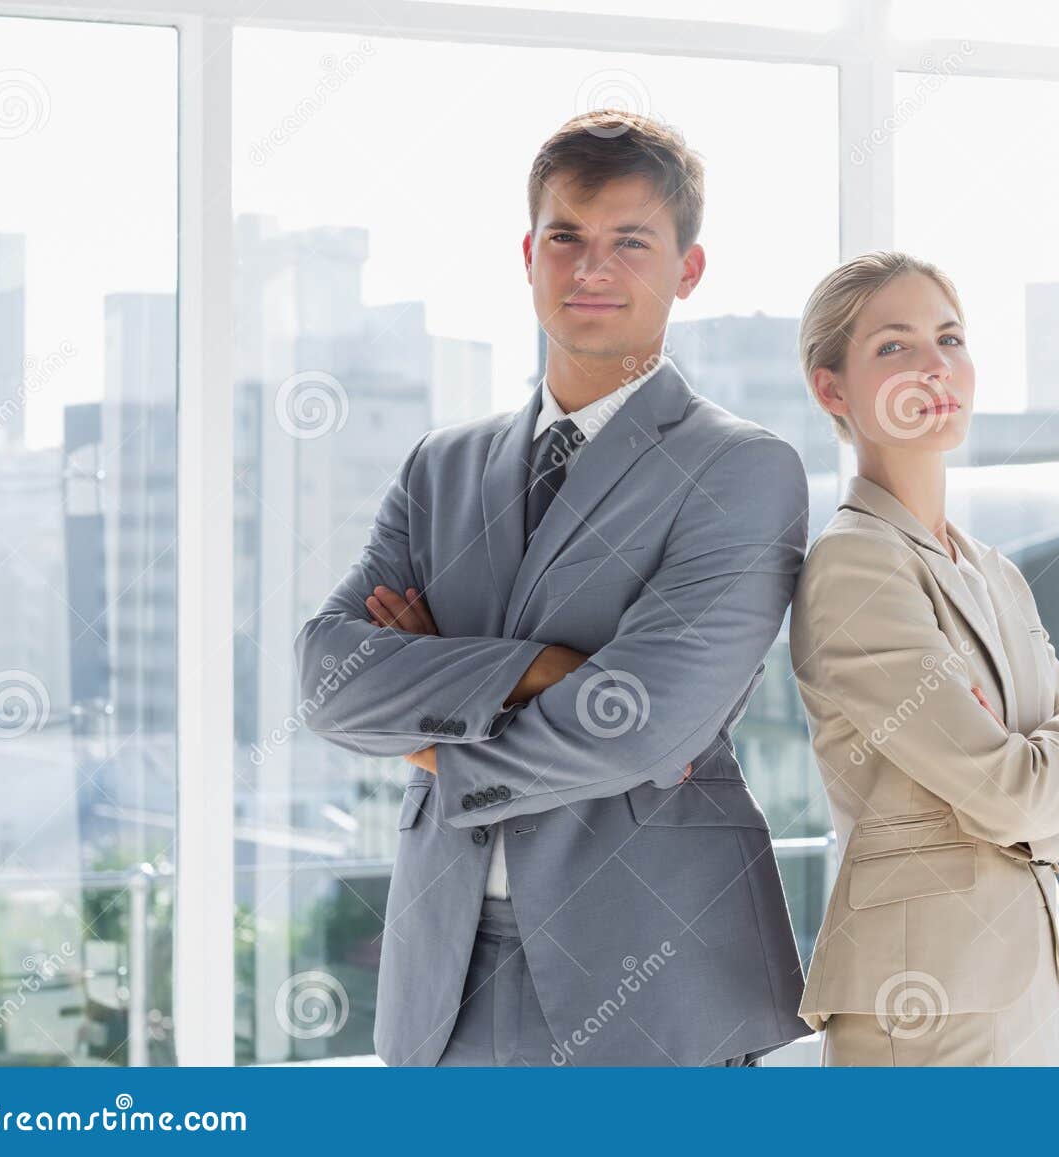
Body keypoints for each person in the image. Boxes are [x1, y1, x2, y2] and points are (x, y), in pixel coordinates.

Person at [295, 111, 812, 1067]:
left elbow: (650, 721)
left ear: (687, 271)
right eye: (567, 237)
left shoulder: (744, 467)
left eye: (631, 242)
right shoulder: (441, 466)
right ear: (530, 254)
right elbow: (330, 679)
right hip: (439, 974)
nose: (591, 269)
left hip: (656, 968)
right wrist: (542, 666)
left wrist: (436, 718)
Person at [788, 251, 1059, 1065]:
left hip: (1030, 985)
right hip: (926, 1010)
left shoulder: (993, 569)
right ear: (832, 388)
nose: (935, 365)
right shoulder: (856, 563)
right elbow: (1013, 796)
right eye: (894, 347)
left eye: (950, 336)